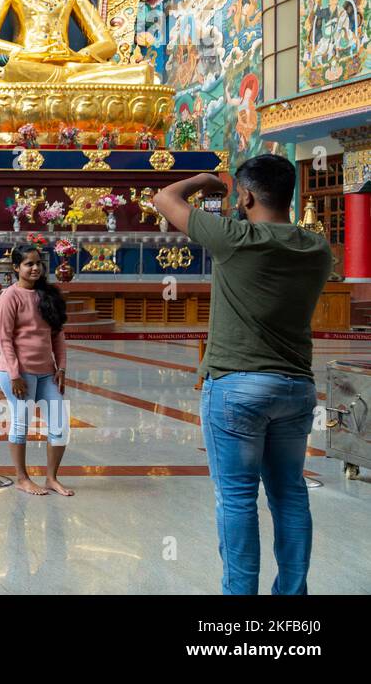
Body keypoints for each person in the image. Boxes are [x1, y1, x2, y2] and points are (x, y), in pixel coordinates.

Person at [154, 156, 331, 595]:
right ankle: (292, 594)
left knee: (236, 499)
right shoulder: (317, 249)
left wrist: (205, 179)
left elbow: (164, 198)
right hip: (295, 387)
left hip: (235, 386)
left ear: (247, 196)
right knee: (289, 493)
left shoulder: (233, 238)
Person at [0, 244, 72, 496]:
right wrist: (15, 374)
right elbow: (4, 338)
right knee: (21, 423)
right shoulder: (9, 297)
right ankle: (22, 478)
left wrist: (61, 367)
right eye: (28, 264)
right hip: (17, 372)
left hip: (46, 372)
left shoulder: (48, 295)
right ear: (16, 268)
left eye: (38, 263)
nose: (35, 267)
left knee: (59, 424)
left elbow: (58, 334)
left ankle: (52, 478)